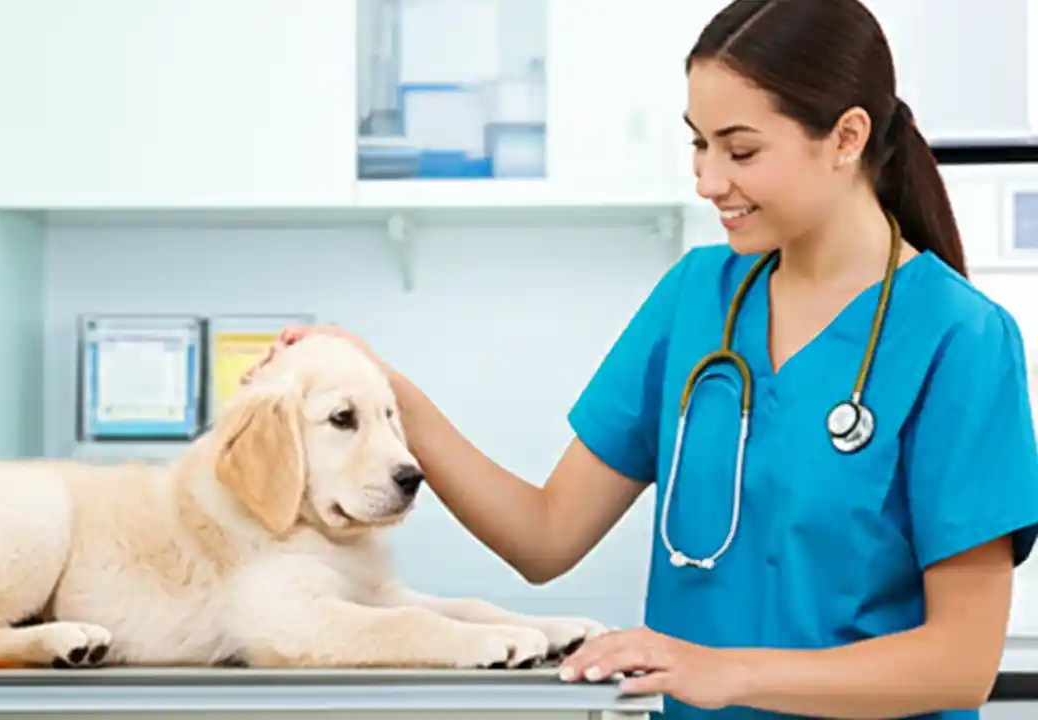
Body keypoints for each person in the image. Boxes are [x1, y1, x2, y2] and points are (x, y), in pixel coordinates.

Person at [248, 0, 1038, 717]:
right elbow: (545, 537)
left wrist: (726, 672)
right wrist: (386, 393)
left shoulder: (959, 339)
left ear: (848, 138)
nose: (707, 180)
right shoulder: (696, 298)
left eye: (740, 150)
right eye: (698, 145)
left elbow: (958, 663)